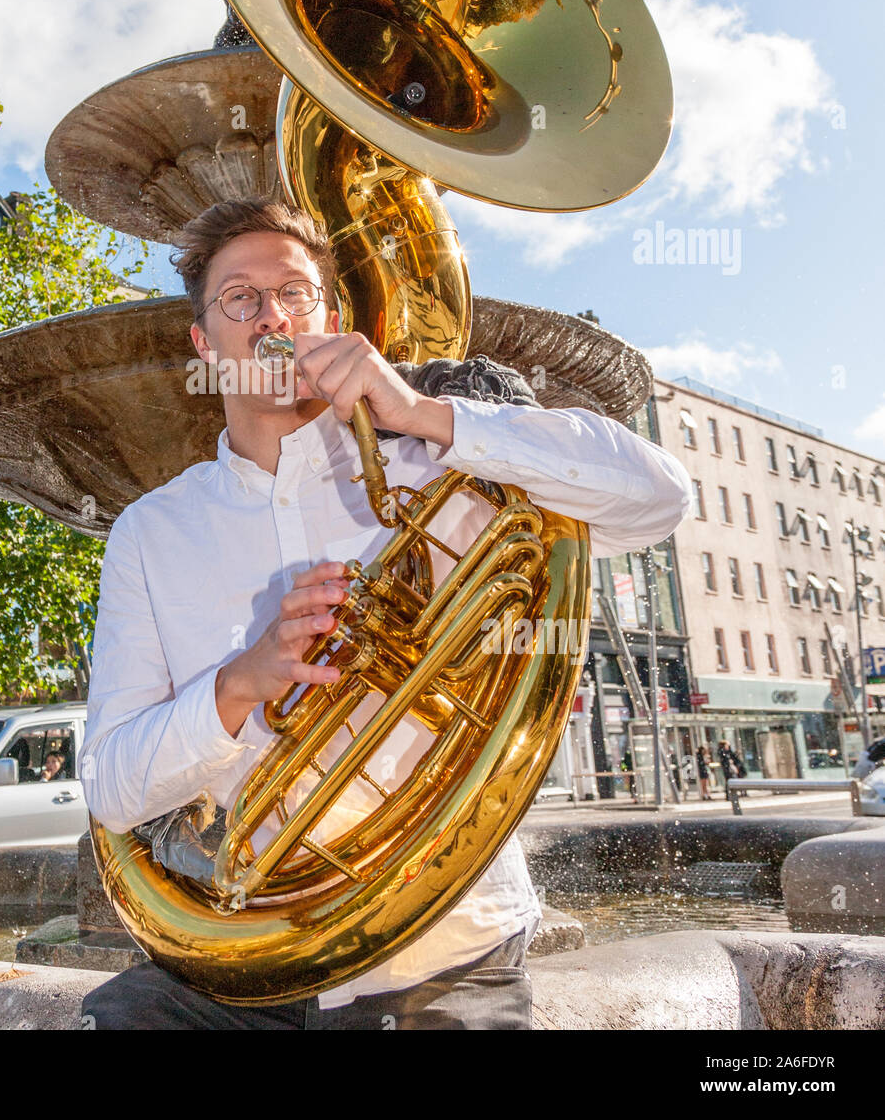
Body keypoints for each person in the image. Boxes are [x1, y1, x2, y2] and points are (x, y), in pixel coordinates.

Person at [79, 198, 692, 1030]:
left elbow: (659, 500)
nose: (272, 315)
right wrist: (241, 683)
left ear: (330, 318)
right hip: (248, 959)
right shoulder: (150, 533)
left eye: (294, 294)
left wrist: (421, 413)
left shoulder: (440, 459)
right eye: (241, 298)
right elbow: (112, 788)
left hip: (440, 953)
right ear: (204, 344)